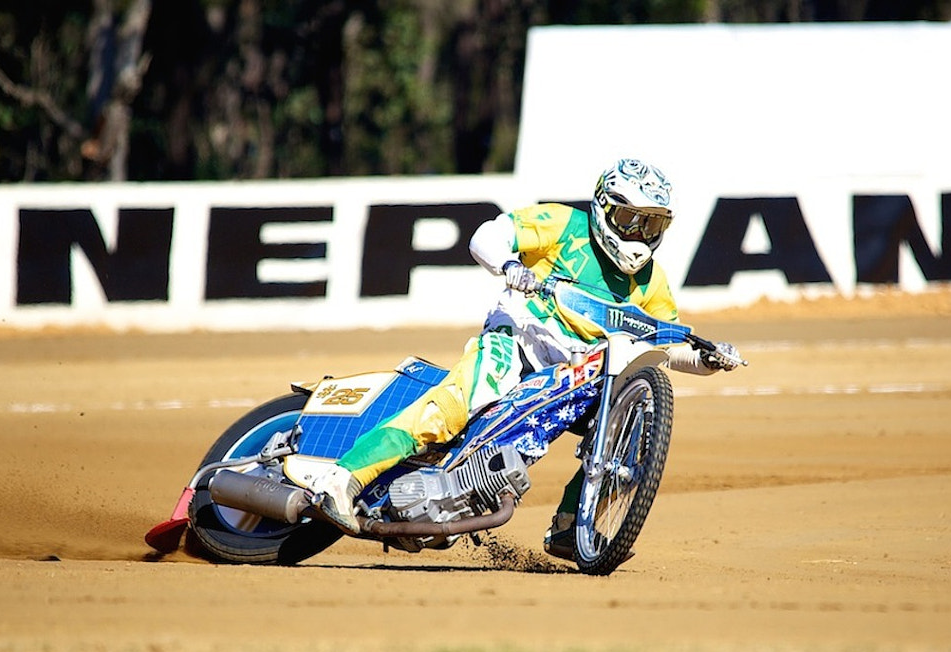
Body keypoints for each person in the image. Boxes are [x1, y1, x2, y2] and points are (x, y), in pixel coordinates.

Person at [307, 158, 742, 562]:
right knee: (455, 406)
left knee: (630, 440)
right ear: (605, 209)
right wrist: (510, 265)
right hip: (517, 338)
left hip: (577, 373)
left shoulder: (652, 280)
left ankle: (572, 528)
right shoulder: (564, 224)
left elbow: (665, 347)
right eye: (631, 220)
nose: (640, 235)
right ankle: (341, 479)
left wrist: (709, 360)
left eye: (653, 224)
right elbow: (488, 235)